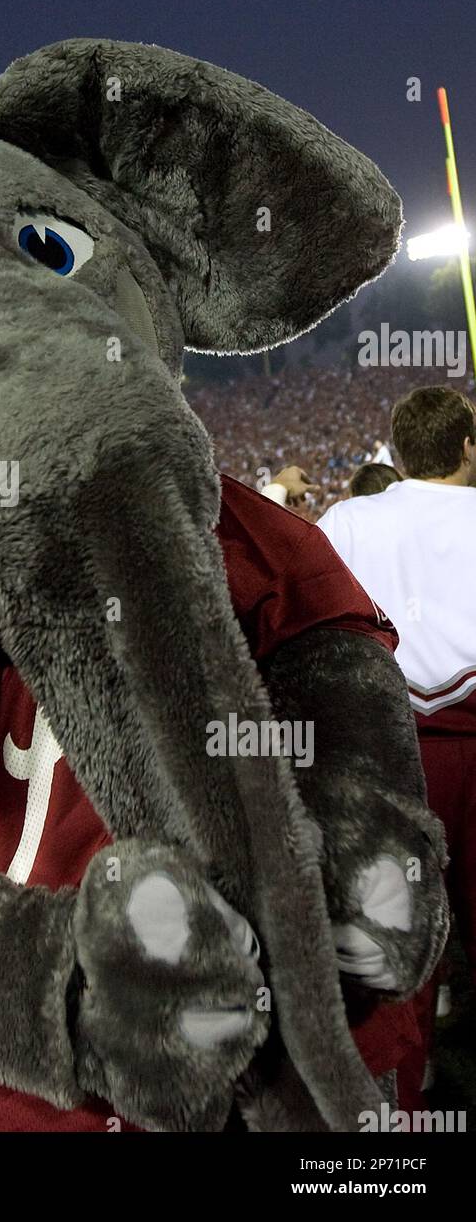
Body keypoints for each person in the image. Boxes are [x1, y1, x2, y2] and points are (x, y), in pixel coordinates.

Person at [317, 385, 476, 1100]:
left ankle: (396, 1120)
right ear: (466, 446)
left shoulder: (349, 518)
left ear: (399, 451)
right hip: (467, 746)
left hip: (380, 755)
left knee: (394, 955)